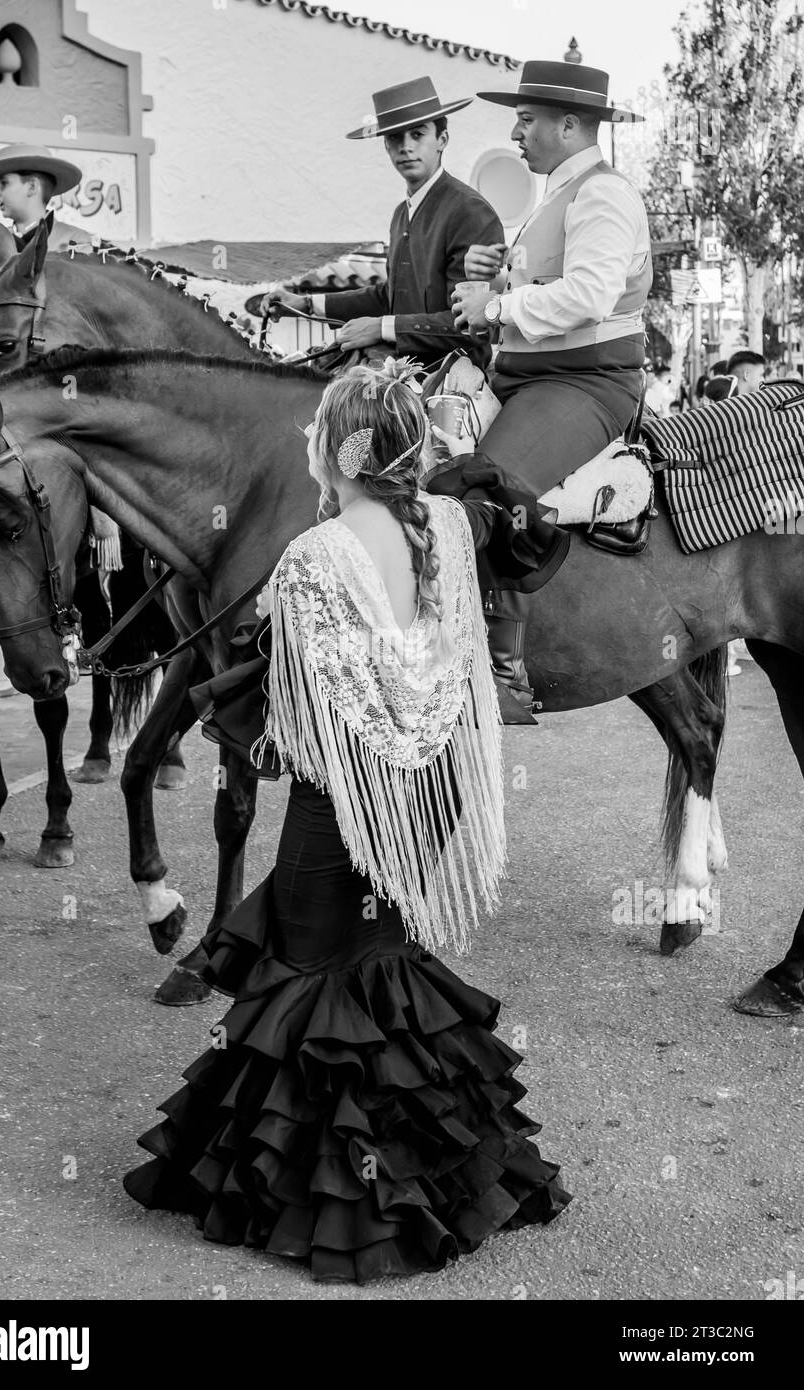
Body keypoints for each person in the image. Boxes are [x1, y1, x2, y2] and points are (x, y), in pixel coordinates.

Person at [124, 361, 571, 1283]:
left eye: (318, 437)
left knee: (318, 975)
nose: (308, 452)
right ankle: (425, 1164)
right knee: (384, 967)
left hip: (345, 806)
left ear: (346, 451)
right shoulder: (446, 523)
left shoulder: (312, 559)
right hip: (430, 797)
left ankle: (344, 1204)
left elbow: (295, 729)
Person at [437, 60, 651, 721]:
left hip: (585, 384)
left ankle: (503, 675)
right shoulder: (555, 197)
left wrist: (497, 307)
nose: (516, 130)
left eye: (527, 119)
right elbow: (546, 284)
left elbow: (588, 296)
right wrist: (493, 277)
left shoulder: (603, 194)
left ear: (569, 124)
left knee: (489, 486)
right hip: (528, 378)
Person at [260, 78, 504, 369]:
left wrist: (381, 328)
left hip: (449, 379)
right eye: (395, 138)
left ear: (442, 139)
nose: (406, 147)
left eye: (417, 134)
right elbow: (390, 297)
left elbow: (470, 325)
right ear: (386, 146)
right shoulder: (402, 212)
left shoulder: (469, 211)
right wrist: (305, 305)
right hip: (394, 365)